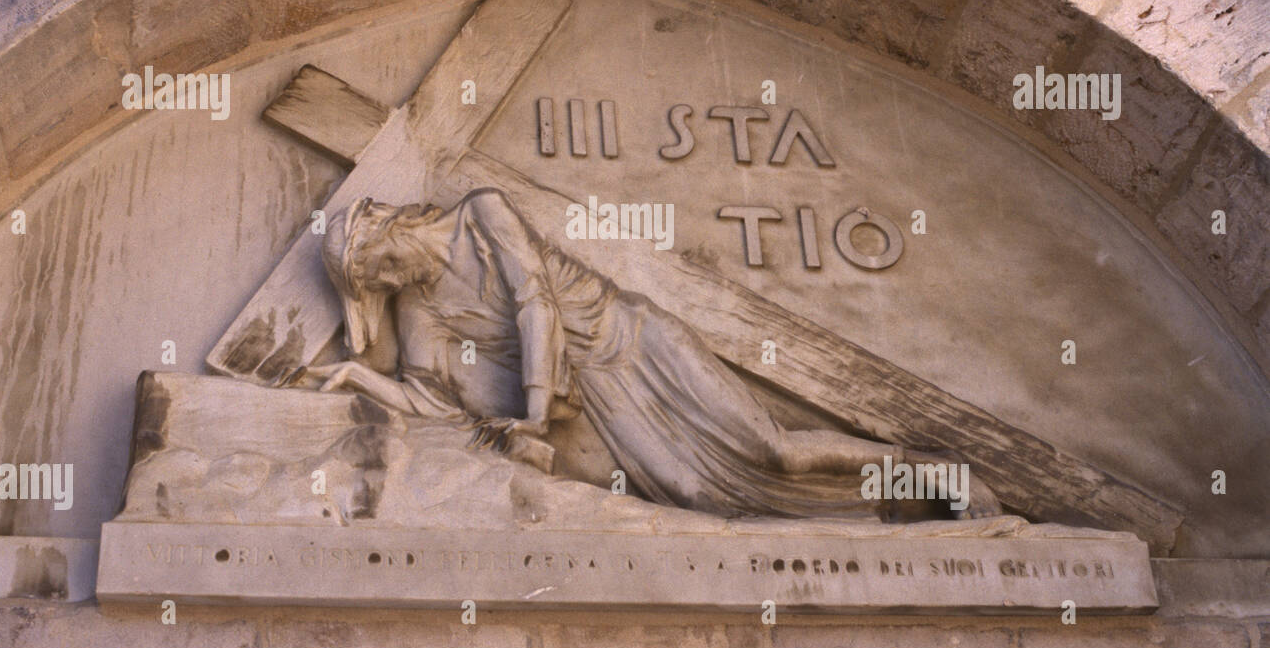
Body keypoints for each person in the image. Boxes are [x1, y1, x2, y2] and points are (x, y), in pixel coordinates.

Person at [296, 188, 1001, 520]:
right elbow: (429, 399)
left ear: (383, 233)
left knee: (772, 448)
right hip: (600, 399)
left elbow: (533, 297)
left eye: (377, 273)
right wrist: (361, 375)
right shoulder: (419, 309)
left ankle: (934, 476)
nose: (386, 289)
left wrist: (536, 412)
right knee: (699, 496)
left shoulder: (480, 213)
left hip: (632, 341)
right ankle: (874, 522)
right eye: (372, 289)